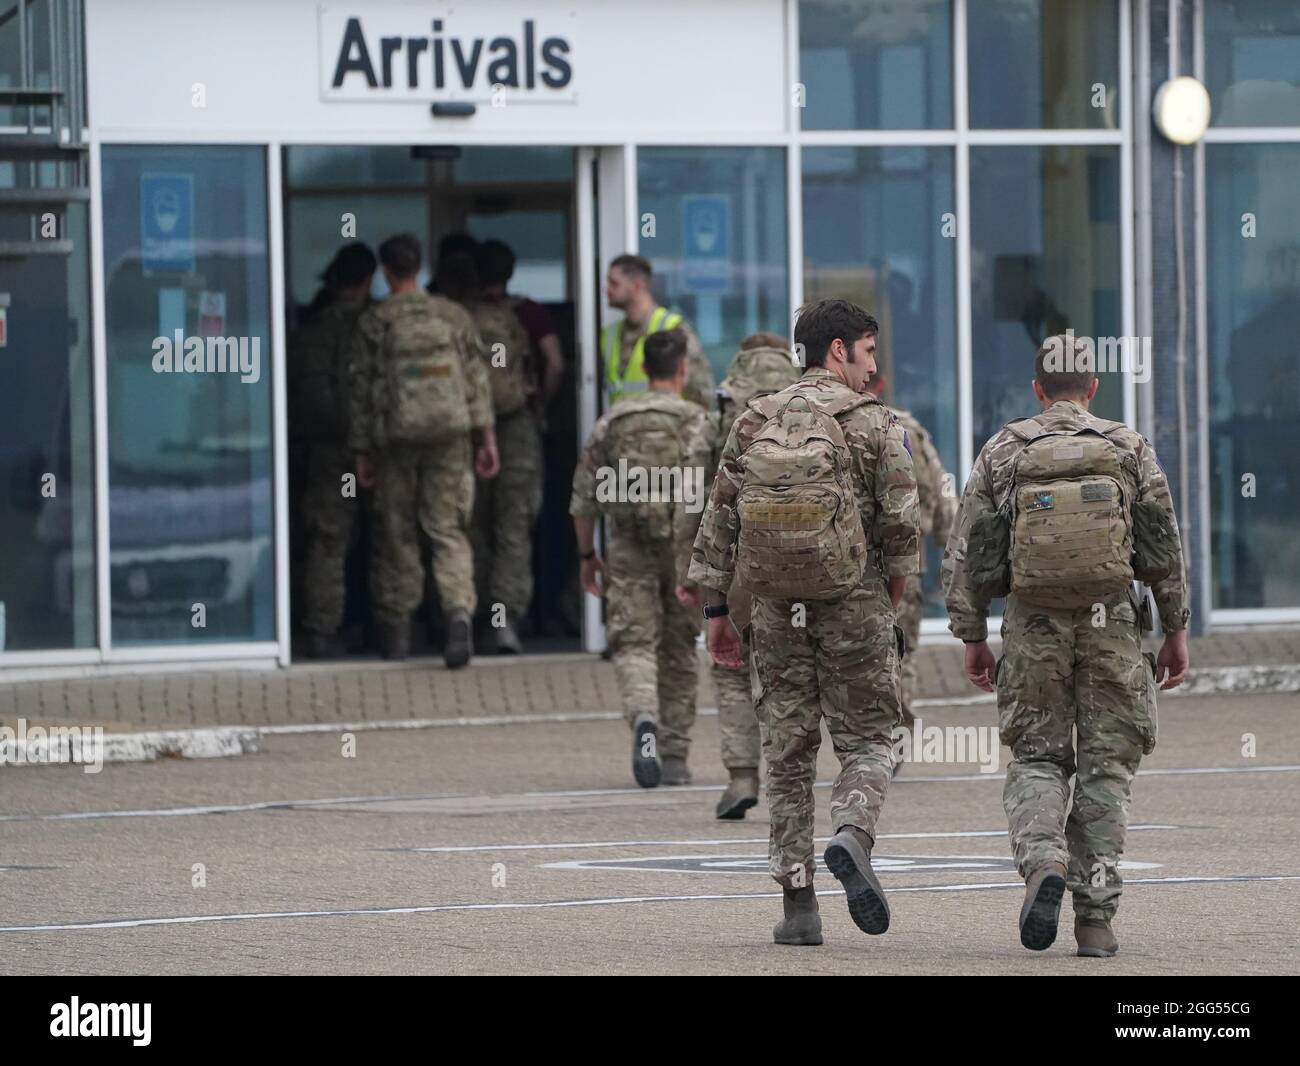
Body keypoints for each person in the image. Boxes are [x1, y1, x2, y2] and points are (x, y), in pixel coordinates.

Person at [942, 332, 1190, 957]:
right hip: (1113, 628)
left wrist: (972, 636)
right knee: (1106, 771)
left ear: (1037, 389)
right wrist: (1176, 629)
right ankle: (1096, 921)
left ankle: (1044, 863)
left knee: (1037, 759)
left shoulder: (1004, 450)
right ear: (1093, 388)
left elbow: (967, 551)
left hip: (1033, 627)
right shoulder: (1127, 446)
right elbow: (1163, 546)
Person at [688, 298, 919, 946]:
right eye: (868, 352)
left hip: (773, 609)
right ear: (838, 350)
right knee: (871, 739)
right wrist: (888, 600)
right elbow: (903, 527)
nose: (872, 367)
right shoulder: (876, 422)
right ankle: (852, 831)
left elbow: (719, 520)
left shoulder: (754, 419)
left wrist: (716, 612)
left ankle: (798, 906)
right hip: (854, 602)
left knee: (786, 755)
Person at [347, 234, 499, 667]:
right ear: (421, 267)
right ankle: (458, 614)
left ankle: (398, 633)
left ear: (385, 272)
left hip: (394, 441)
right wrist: (486, 439)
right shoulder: (452, 315)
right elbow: (477, 381)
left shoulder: (375, 321)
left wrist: (361, 452)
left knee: (397, 532)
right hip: (450, 438)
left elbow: (360, 390)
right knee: (448, 529)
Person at [571, 329, 707, 788]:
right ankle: (675, 756)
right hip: (686, 550)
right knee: (680, 648)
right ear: (683, 369)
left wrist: (587, 555)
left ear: (645, 369)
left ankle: (644, 716)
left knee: (634, 644)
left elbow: (583, 498)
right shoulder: (698, 422)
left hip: (629, 547)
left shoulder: (613, 421)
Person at [675, 331, 799, 818]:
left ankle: (743, 777)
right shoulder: (809, 404)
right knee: (790, 671)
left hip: (736, 559)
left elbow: (691, 499)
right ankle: (791, 779)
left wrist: (689, 570)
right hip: (805, 559)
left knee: (730, 666)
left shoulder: (722, 413)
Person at [464, 239, 561, 653]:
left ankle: (474, 618)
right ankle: (506, 623)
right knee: (514, 529)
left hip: (469, 431)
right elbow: (555, 364)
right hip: (518, 428)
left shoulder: (459, 315)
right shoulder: (529, 313)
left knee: (471, 527)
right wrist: (539, 405)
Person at [288, 242, 376, 658]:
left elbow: (308, 398)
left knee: (329, 541)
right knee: (393, 539)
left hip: (334, 453)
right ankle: (394, 631)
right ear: (369, 280)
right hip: (382, 453)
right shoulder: (382, 325)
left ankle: (324, 631)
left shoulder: (316, 331)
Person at [863, 375, 957, 764]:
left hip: (851, 569)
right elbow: (943, 493)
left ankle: (870, 743)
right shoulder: (909, 430)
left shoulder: (830, 425)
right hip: (906, 566)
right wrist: (953, 559)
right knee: (901, 655)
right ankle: (895, 737)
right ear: (883, 383)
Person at [602, 254, 713, 408]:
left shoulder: (673, 328)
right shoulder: (609, 335)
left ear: (637, 286)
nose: (606, 289)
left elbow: (701, 391)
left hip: (667, 422)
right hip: (623, 422)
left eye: (614, 283)